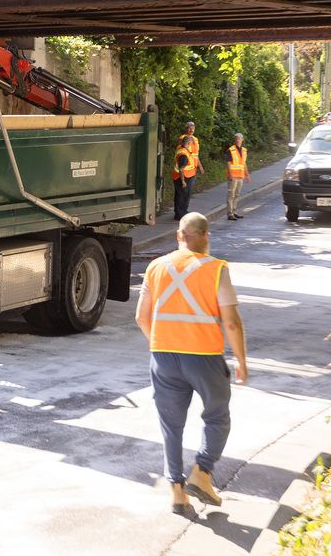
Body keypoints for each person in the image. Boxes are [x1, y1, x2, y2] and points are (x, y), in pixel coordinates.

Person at [135, 212, 248, 515]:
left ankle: (177, 491)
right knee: (217, 417)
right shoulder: (217, 269)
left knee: (171, 426)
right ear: (206, 236)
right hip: (204, 357)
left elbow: (141, 317)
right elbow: (231, 322)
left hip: (163, 357)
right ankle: (202, 472)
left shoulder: (155, 267)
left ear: (179, 236)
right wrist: (241, 360)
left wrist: (160, 343)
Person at [226, 133, 250, 221]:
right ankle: (230, 214)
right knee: (231, 195)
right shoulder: (231, 150)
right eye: (236, 139)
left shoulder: (244, 150)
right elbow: (228, 163)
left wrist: (247, 174)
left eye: (239, 139)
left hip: (240, 176)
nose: (238, 140)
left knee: (237, 195)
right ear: (234, 140)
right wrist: (230, 174)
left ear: (242, 140)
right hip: (233, 176)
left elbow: (244, 163)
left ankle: (234, 211)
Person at [172, 136, 196, 220]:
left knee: (179, 195)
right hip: (184, 177)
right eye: (191, 143)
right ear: (189, 143)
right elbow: (181, 169)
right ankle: (181, 214)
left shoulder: (180, 148)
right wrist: (183, 181)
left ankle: (179, 212)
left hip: (179, 176)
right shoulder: (184, 155)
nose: (191, 144)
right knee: (183, 196)